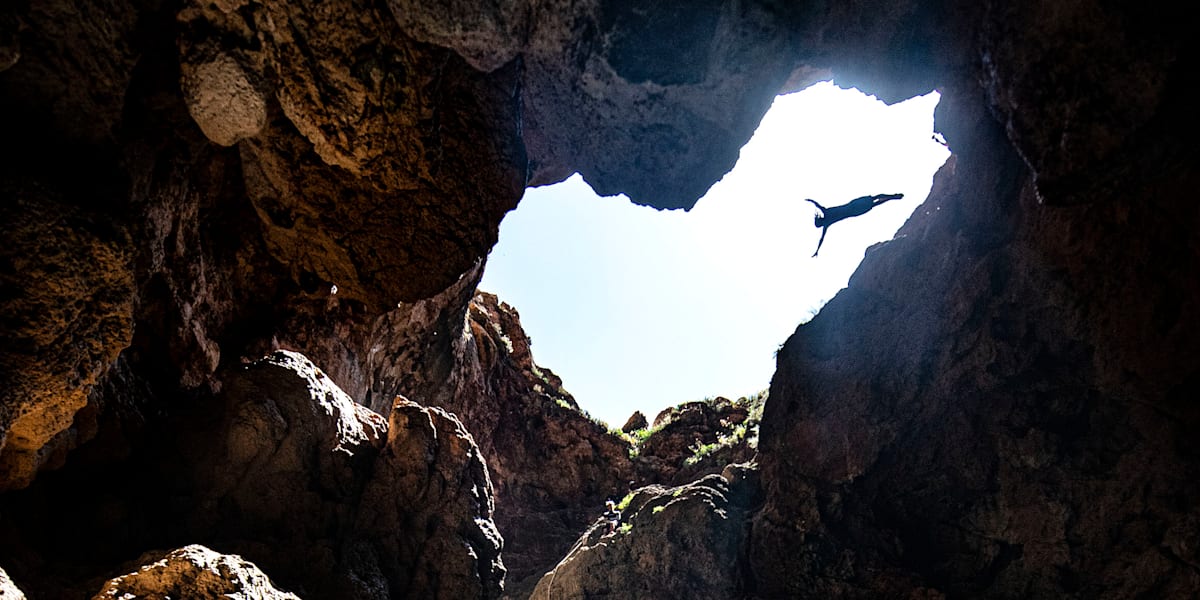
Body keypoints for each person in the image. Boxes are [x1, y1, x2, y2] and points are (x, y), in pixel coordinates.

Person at [805, 193, 904, 257]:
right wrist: (811, 201)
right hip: (852, 205)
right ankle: (892, 196)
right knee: (873, 198)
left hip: (854, 212)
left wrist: (817, 250)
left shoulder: (827, 222)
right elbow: (817, 205)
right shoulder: (826, 212)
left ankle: (891, 198)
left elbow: (821, 239)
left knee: (874, 204)